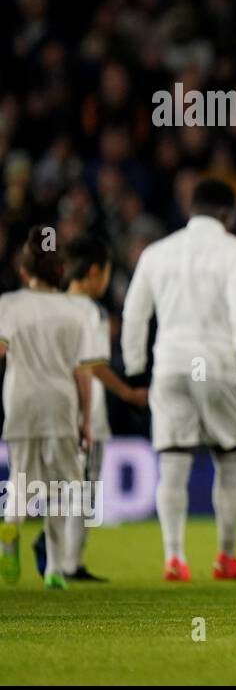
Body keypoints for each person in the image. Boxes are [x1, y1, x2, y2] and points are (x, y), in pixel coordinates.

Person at [120, 178, 236, 582]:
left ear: (191, 210)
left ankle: (175, 558)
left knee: (174, 465)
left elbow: (134, 313)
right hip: (216, 364)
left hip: (170, 365)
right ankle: (225, 556)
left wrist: (135, 368)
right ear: (227, 214)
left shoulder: (156, 252)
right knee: (230, 460)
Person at [0, 228, 97, 589]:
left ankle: (9, 540)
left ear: (25, 271)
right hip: (59, 404)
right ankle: (55, 568)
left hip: (20, 401)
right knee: (61, 489)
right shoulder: (75, 311)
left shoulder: (9, 305)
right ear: (61, 271)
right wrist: (86, 420)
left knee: (20, 481)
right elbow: (83, 371)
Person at [60, 234, 149, 582]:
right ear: (95, 271)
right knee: (83, 488)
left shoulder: (51, 305)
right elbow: (94, 365)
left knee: (50, 488)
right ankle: (70, 563)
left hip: (52, 410)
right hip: (86, 415)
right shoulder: (90, 312)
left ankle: (48, 551)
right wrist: (128, 393)